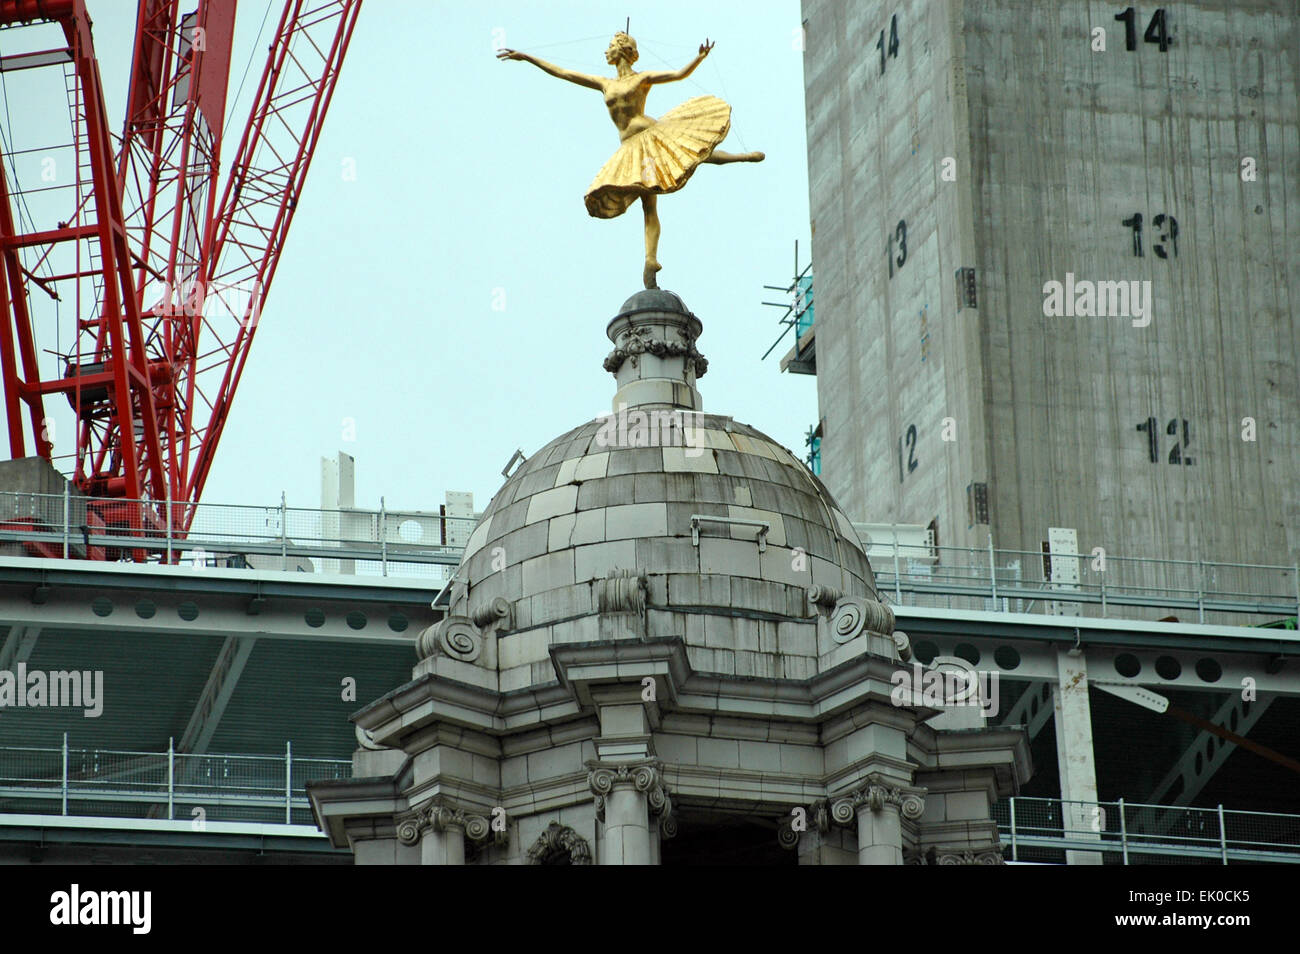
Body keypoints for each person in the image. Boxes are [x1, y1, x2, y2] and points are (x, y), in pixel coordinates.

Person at [498, 32, 764, 288]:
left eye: (611, 45)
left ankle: (743, 157)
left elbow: (678, 74)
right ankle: (650, 259)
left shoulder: (642, 79)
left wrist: (699, 57)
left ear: (623, 50)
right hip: (630, 147)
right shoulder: (605, 83)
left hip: (648, 134)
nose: (606, 50)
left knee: (694, 153)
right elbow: (564, 73)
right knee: (649, 205)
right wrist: (528, 57)